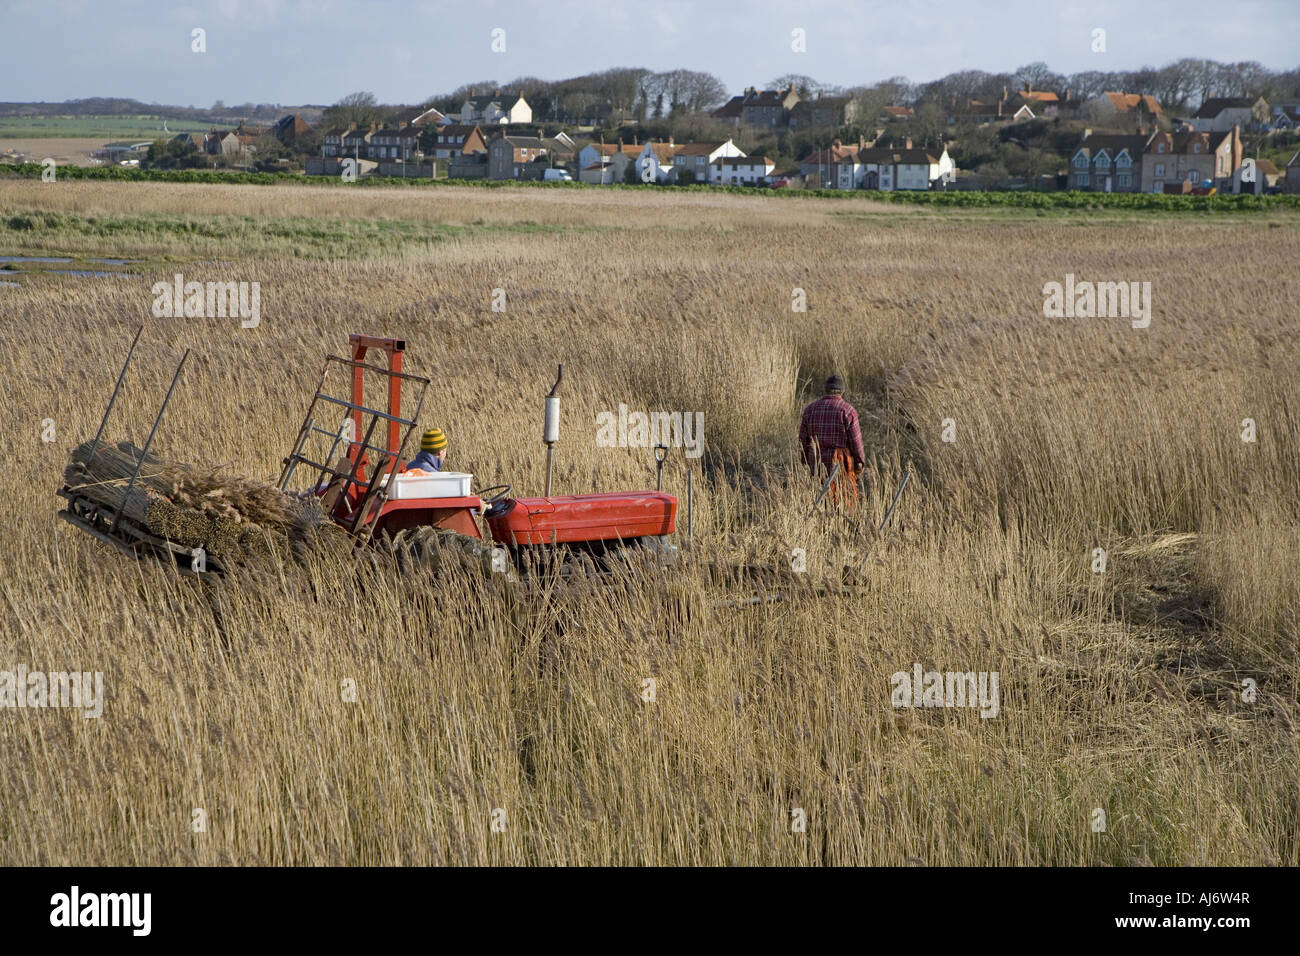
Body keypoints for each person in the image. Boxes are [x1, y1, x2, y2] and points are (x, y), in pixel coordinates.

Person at [798, 374, 866, 512]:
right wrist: (860, 462)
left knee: (818, 497)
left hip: (816, 461)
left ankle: (819, 523)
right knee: (841, 499)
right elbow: (856, 441)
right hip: (839, 463)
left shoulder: (810, 409)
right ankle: (839, 523)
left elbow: (802, 440)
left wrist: (805, 460)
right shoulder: (848, 411)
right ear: (842, 391)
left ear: (826, 390)